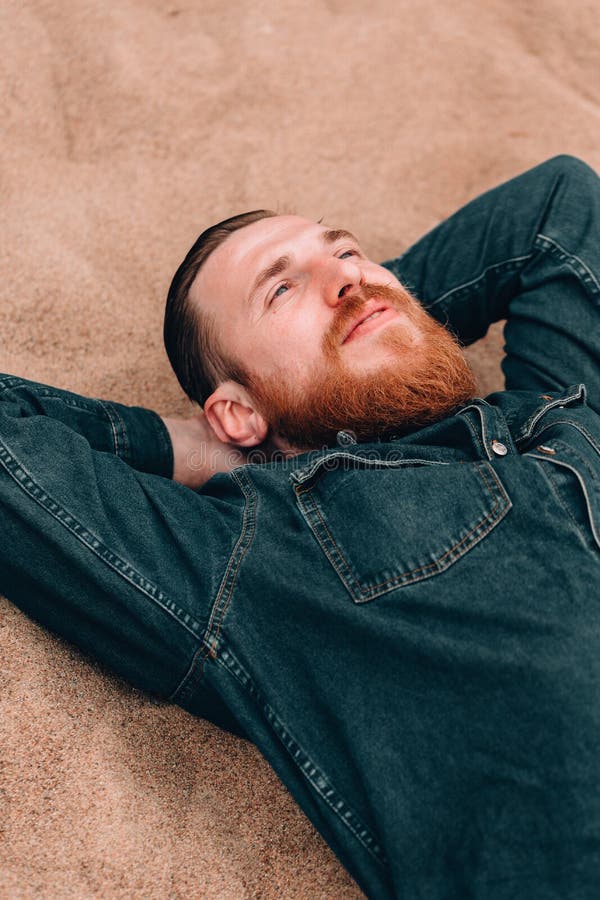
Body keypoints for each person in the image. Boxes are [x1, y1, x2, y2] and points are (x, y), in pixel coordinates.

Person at [1, 155, 599, 899]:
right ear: (237, 413)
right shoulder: (261, 554)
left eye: (346, 251)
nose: (347, 276)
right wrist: (191, 442)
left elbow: (560, 204)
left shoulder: (562, 411)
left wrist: (375, 324)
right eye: (281, 288)